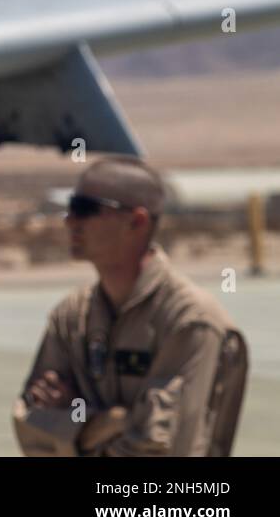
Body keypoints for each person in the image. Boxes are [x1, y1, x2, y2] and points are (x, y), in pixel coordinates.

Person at [14, 156, 248, 456]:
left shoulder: (189, 320)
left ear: (136, 221)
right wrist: (106, 423)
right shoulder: (71, 317)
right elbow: (30, 425)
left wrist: (74, 430)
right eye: (71, 207)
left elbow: (164, 446)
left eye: (86, 209)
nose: (70, 221)